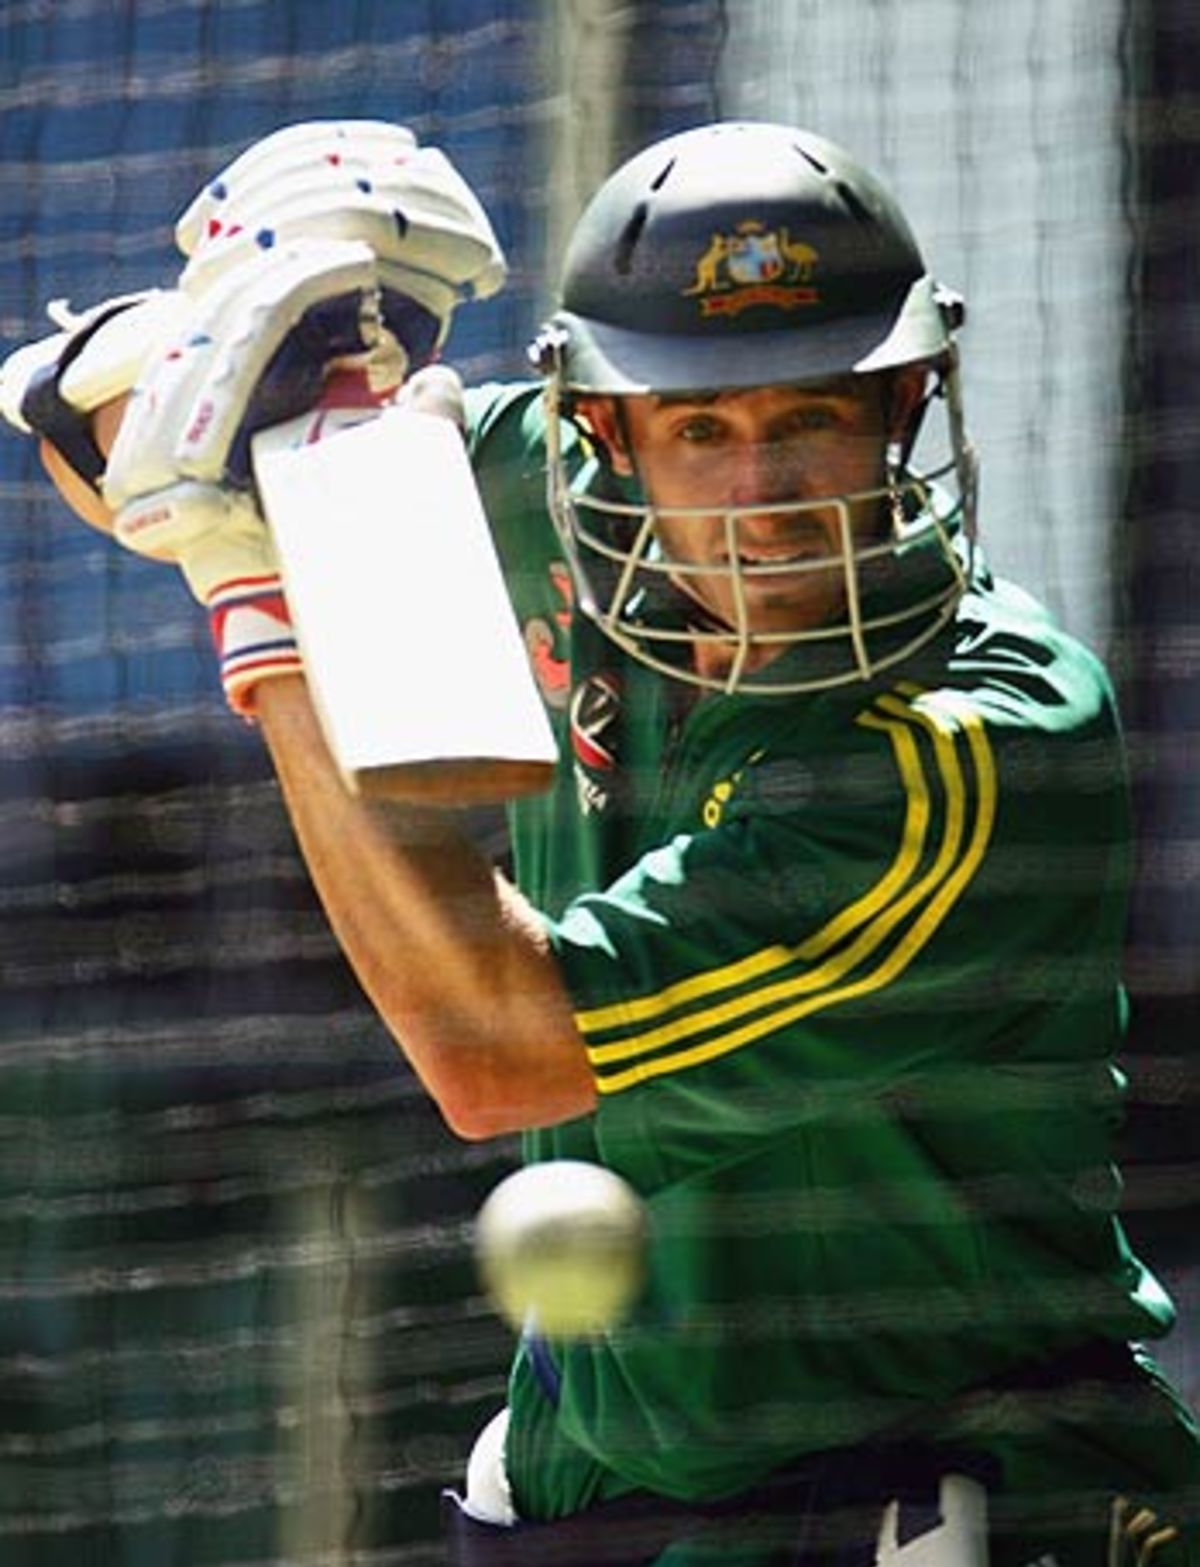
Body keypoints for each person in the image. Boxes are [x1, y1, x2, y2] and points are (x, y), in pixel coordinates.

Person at [3, 117, 1198, 1567]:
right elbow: (100, 436)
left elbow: (493, 1052)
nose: (762, 501)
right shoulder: (545, 499)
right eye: (702, 430)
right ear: (607, 433)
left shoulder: (975, 747)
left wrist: (259, 612)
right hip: (617, 1511)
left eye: (810, 415)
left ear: (906, 406)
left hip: (962, 1495)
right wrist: (179, 352)